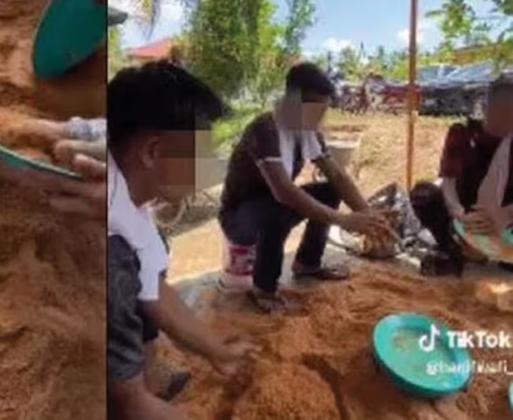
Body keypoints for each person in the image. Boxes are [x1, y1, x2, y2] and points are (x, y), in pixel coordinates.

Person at [107, 61, 257, 420]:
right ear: (153, 152)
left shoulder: (129, 196)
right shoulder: (111, 256)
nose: (206, 167)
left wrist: (216, 351)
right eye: (199, 153)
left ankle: (141, 371)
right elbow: (133, 409)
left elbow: (154, 288)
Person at [218, 62, 394, 314]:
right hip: (238, 217)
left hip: (273, 206)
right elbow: (284, 191)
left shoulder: (307, 131)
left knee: (329, 191)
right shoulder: (265, 129)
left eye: (322, 112)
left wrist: (369, 217)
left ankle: (307, 264)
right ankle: (264, 288)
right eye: (314, 111)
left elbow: (336, 174)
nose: (318, 120)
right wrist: (345, 220)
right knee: (277, 208)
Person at [411, 77, 513, 274]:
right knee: (423, 195)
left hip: (506, 218)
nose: (504, 125)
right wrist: (459, 214)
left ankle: (500, 254)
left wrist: (502, 216)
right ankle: (456, 248)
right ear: (485, 108)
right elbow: (448, 181)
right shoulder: (462, 133)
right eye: (499, 116)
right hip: (465, 213)